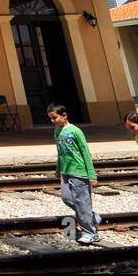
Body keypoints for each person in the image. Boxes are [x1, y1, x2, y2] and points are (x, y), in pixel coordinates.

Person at [47, 102, 100, 245]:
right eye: (50, 118)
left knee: (82, 201)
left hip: (79, 171)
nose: (53, 121)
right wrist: (58, 169)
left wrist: (92, 175)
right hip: (65, 171)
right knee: (67, 198)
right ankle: (91, 216)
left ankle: (90, 233)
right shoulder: (57, 131)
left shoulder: (75, 131)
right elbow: (60, 152)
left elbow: (85, 153)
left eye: (55, 118)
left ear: (64, 115)